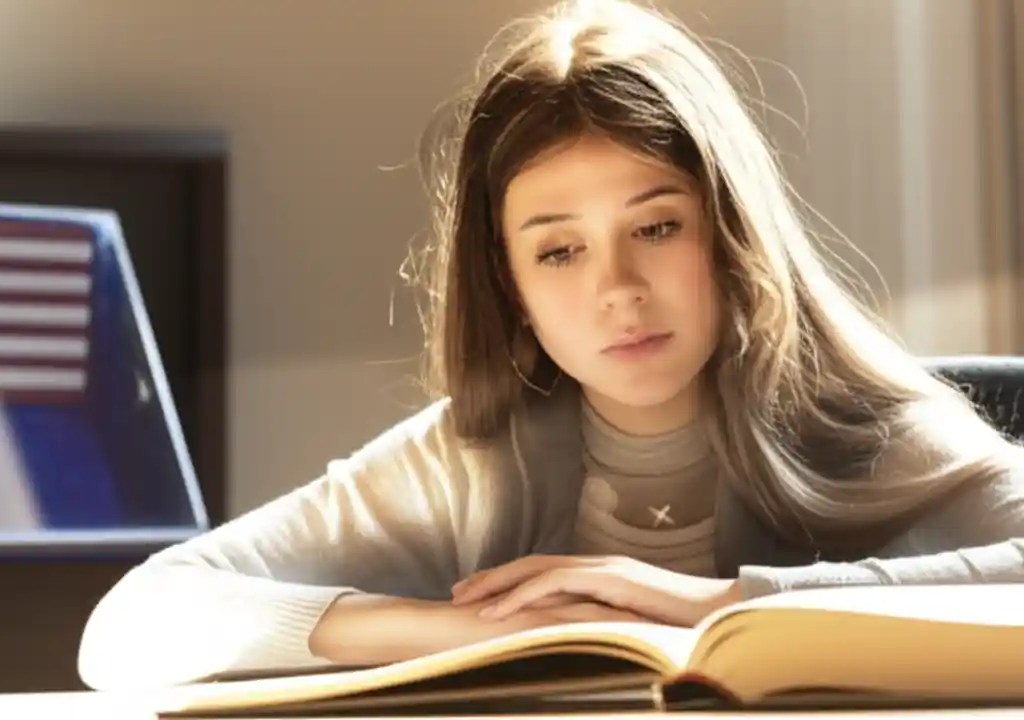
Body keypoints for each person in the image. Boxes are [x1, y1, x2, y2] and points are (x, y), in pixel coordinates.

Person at [77, 0, 1024, 691]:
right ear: (512, 288)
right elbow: (127, 627)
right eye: (559, 251)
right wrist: (454, 630)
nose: (616, 290)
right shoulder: (471, 458)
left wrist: (729, 602)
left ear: (733, 233)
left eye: (657, 228)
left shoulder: (860, 419)